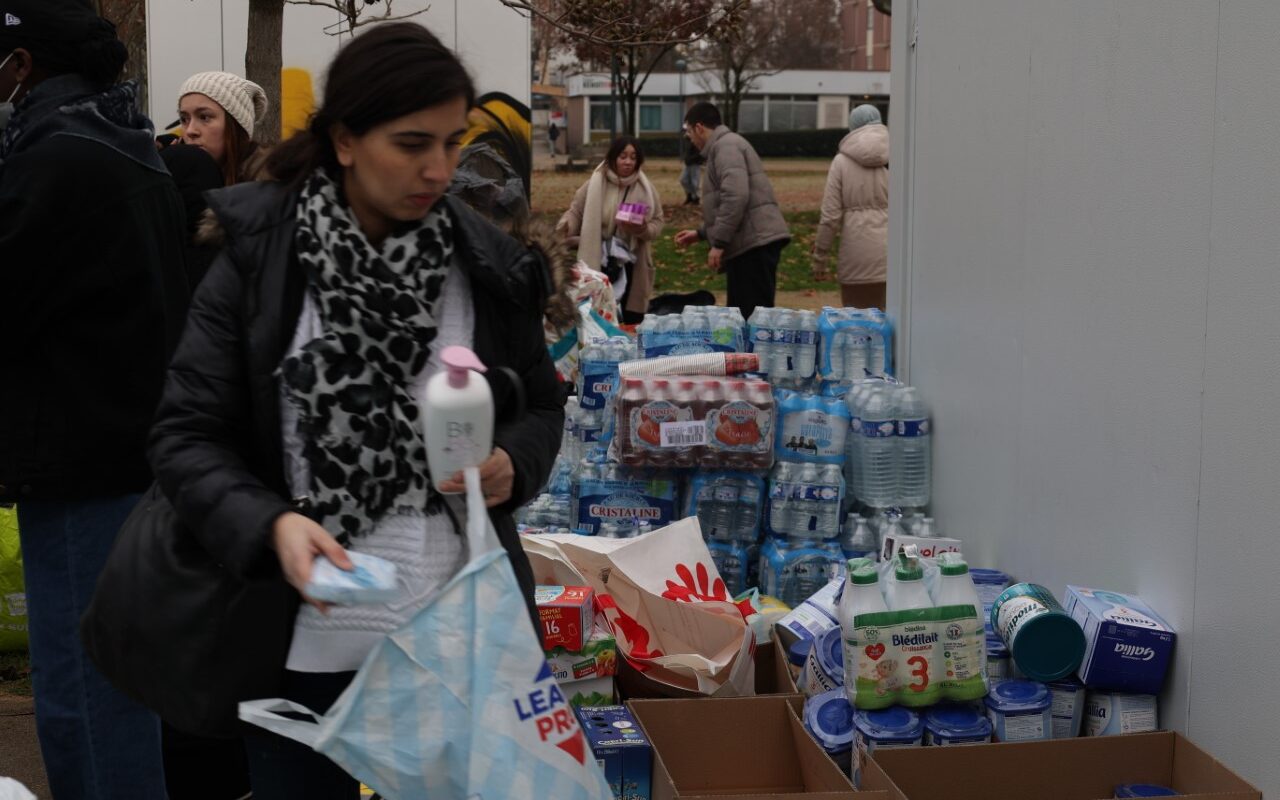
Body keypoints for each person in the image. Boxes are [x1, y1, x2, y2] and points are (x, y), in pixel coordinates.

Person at [147, 23, 564, 798]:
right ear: (344, 140)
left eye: (450, 141)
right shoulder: (260, 259)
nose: (439, 169)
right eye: (411, 144)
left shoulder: (486, 265)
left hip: (458, 643)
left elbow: (541, 405)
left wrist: (516, 460)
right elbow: (187, 435)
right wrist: (269, 524)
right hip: (302, 649)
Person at [0, 2, 187, 798]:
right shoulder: (121, 139)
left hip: (81, 462)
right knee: (102, 688)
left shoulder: (57, 161)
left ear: (23, 65)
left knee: (85, 701)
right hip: (117, 448)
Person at [675, 102, 789, 320]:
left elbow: (735, 196)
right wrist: (701, 233)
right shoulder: (726, 146)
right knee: (744, 315)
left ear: (699, 127)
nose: (689, 138)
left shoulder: (725, 147)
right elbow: (727, 202)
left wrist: (718, 243)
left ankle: (754, 355)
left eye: (689, 132)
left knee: (750, 317)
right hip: (751, 242)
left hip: (753, 245)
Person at [160, 71, 271, 289]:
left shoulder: (268, 194)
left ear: (236, 126)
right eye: (184, 119)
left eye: (205, 117)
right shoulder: (175, 178)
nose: (190, 131)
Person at [556, 135, 664, 324]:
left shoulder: (646, 189)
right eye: (623, 156)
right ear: (613, 158)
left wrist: (642, 229)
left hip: (632, 261)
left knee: (633, 318)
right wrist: (566, 227)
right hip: (598, 257)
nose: (628, 162)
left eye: (633, 157)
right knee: (597, 314)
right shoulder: (595, 182)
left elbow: (658, 223)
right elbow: (576, 212)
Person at [813, 104, 889, 310]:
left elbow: (830, 216)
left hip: (856, 258)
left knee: (857, 326)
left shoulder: (841, 162)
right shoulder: (899, 156)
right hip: (892, 257)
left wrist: (820, 257)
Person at [678, 126, 703, 205]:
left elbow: (700, 153)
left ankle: (696, 198)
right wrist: (684, 158)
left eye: (687, 131)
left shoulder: (697, 140)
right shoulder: (687, 140)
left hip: (695, 164)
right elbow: (686, 151)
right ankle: (690, 195)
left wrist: (691, 159)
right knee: (683, 180)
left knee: (695, 182)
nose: (685, 133)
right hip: (688, 164)